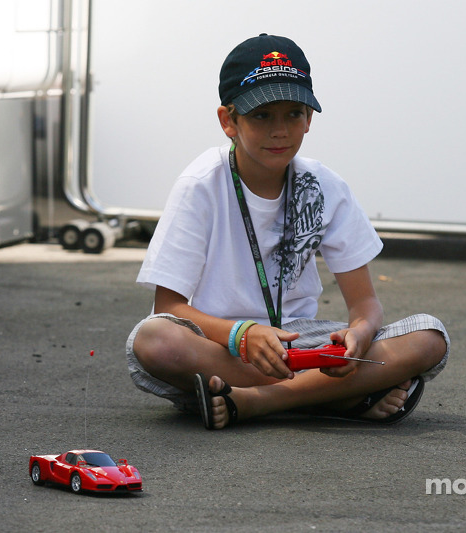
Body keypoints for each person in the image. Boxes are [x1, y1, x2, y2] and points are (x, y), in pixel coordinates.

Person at [126, 34, 449, 430]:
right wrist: (241, 333)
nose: (280, 130)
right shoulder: (201, 184)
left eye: (293, 113)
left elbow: (365, 305)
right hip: (220, 343)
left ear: (309, 119)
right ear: (228, 121)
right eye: (262, 115)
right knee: (154, 340)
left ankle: (256, 401)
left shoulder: (324, 185)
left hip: (300, 339)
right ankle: (335, 398)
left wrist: (359, 334)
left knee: (429, 338)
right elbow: (169, 308)